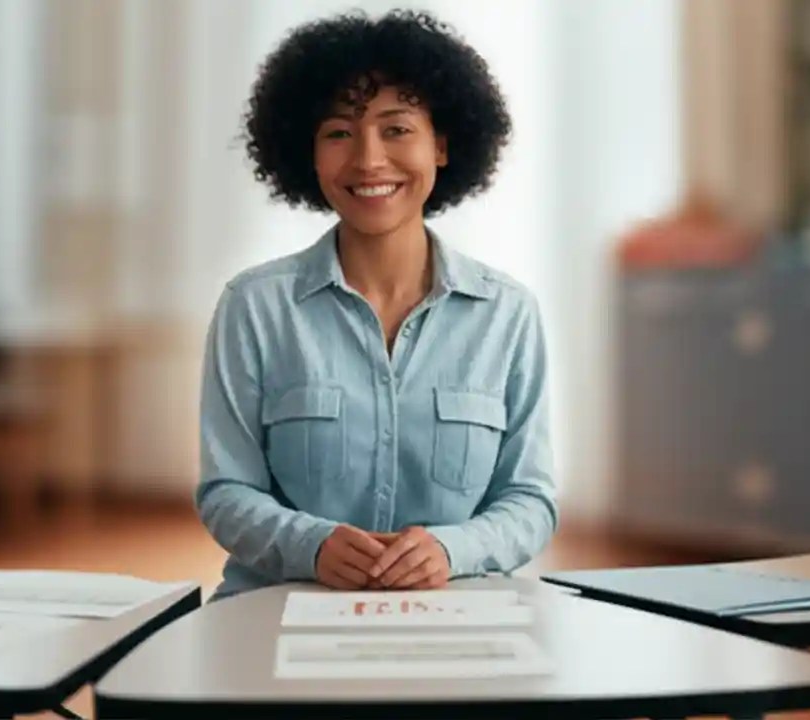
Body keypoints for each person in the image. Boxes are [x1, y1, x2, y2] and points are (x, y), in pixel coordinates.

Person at [196, 9, 557, 600]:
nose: (368, 160)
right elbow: (226, 492)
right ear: (308, 154)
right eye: (339, 132)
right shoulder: (253, 308)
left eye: (397, 129)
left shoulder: (508, 314)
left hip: (456, 612)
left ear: (441, 145)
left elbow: (530, 499)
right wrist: (310, 545)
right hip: (283, 606)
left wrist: (450, 549)